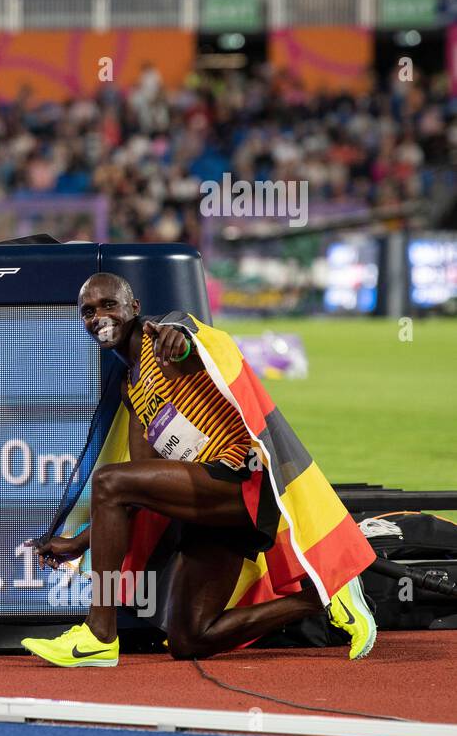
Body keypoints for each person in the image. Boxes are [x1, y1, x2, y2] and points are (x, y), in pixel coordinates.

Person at [21, 272, 378, 667]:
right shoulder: (130, 387)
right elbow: (137, 488)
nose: (99, 316)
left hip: (245, 480)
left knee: (109, 480)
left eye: (109, 304)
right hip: (215, 508)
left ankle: (99, 634)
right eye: (88, 311)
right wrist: (79, 543)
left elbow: (198, 339)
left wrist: (182, 335)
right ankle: (321, 595)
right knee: (190, 637)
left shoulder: (164, 339)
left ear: (134, 308)